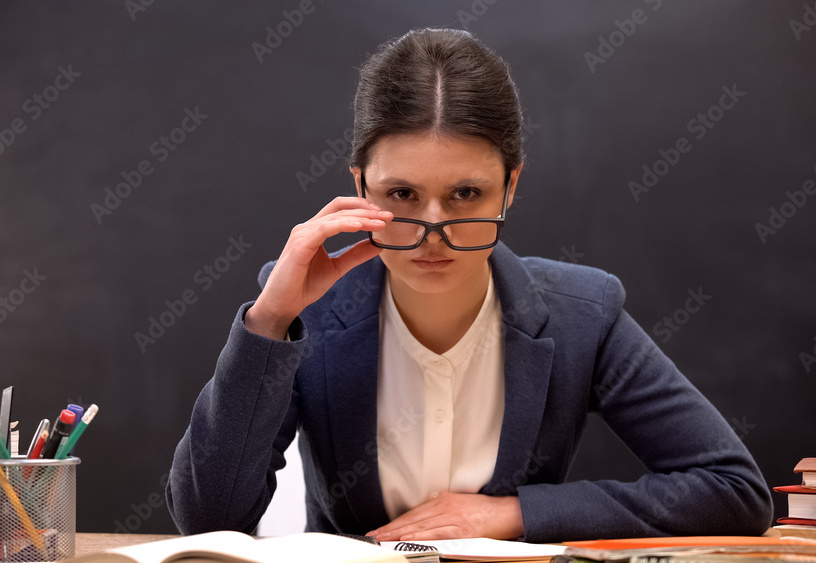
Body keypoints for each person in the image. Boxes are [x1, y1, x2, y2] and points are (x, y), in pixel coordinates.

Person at [166, 27, 773, 543]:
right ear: (360, 185)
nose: (433, 231)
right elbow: (208, 522)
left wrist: (511, 514)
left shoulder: (582, 314)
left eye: (465, 194)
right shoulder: (309, 309)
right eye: (402, 194)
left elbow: (733, 490)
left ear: (510, 186)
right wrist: (269, 322)